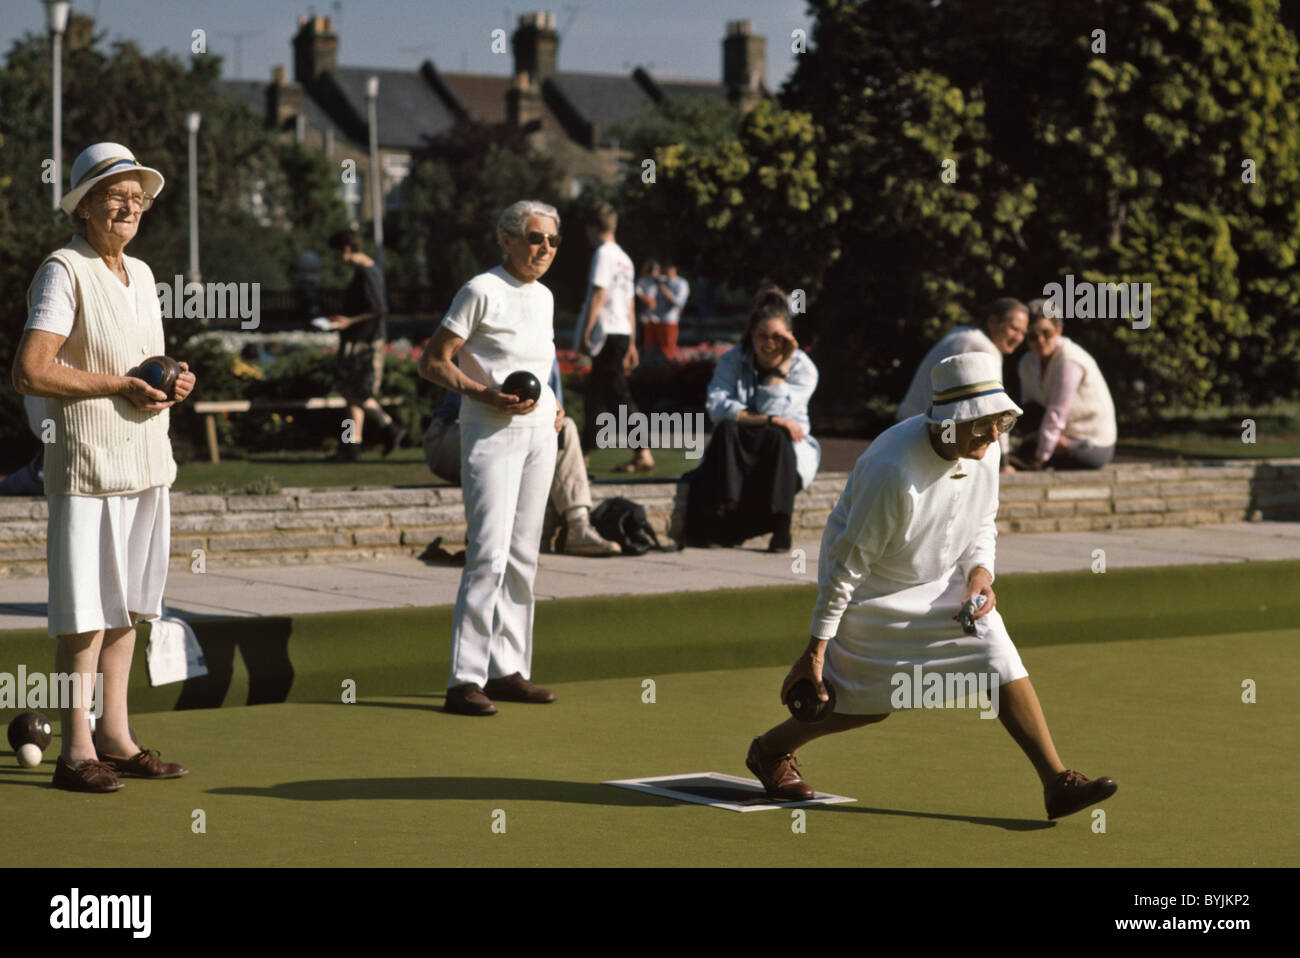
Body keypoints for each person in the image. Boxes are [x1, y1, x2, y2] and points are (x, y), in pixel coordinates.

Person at [744, 353, 1118, 821]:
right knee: (871, 705)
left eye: (997, 421)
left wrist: (980, 576)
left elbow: (982, 521)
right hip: (872, 593)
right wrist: (815, 651)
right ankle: (770, 750)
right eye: (979, 423)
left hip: (942, 585)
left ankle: (1056, 782)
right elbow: (845, 566)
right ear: (946, 423)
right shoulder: (892, 469)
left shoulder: (987, 446)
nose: (992, 433)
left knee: (996, 652)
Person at [11, 142, 195, 792]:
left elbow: (145, 363)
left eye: (137, 197)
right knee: (82, 616)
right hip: (87, 468)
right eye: (115, 194)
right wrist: (116, 386)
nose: (129, 205)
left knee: (126, 610)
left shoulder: (141, 274)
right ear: (84, 206)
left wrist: (173, 382)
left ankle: (116, 737)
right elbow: (32, 370)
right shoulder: (64, 269)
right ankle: (74, 751)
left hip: (147, 465)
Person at [418, 200, 564, 716]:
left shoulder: (544, 297)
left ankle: (508, 671)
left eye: (551, 240)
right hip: (489, 434)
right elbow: (433, 362)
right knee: (488, 554)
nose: (543, 248)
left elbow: (539, 361)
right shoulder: (481, 290)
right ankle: (464, 680)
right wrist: (483, 394)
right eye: (533, 237)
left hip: (539, 435)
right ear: (506, 239)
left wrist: (553, 401)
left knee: (525, 555)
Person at [421, 357, 621, 556]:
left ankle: (579, 527)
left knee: (565, 426)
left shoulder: (545, 350)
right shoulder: (483, 339)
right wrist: (493, 399)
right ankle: (495, 545)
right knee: (506, 433)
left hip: (513, 438)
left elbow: (555, 412)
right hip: (453, 433)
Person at [682, 286, 819, 553]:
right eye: (762, 336)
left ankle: (781, 526)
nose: (769, 344)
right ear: (751, 336)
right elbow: (717, 408)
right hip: (739, 446)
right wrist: (771, 419)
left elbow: (774, 406)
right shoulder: (732, 360)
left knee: (778, 436)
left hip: (784, 453)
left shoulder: (803, 368)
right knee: (729, 428)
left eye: (777, 338)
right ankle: (726, 508)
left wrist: (783, 364)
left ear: (789, 338)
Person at [896, 297, 1028, 472]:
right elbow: (995, 407)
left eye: (1023, 333)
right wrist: (1004, 462)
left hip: (908, 426)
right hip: (929, 435)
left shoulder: (961, 333)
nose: (1019, 338)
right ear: (993, 321)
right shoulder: (983, 348)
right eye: (1014, 329)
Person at [577, 203, 653, 473]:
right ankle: (583, 454)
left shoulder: (603, 254)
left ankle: (643, 450)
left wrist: (586, 331)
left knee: (617, 394)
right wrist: (632, 342)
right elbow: (630, 304)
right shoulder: (625, 258)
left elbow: (599, 294)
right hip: (621, 331)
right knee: (596, 394)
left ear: (593, 228)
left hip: (606, 332)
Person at [1010, 298, 1117, 470]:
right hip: (1057, 435)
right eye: (1032, 336)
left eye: (1046, 333)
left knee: (1036, 457)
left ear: (1058, 330)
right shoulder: (1027, 363)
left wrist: (1039, 457)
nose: (1040, 340)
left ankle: (1040, 458)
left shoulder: (1070, 360)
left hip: (1093, 443)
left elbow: (1056, 413)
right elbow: (1029, 410)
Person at [327, 228, 404, 460]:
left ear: (346, 250)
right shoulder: (366, 272)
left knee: (356, 393)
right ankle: (351, 444)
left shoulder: (366, 273)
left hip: (365, 342)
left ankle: (389, 427)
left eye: (336, 253)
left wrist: (348, 321)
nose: (336, 259)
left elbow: (378, 309)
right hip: (359, 340)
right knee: (352, 394)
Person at [645, 259, 689, 361]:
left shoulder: (681, 283)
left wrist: (664, 290)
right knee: (651, 351)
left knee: (667, 352)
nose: (665, 270)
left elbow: (678, 303)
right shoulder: (660, 281)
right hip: (653, 320)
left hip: (669, 321)